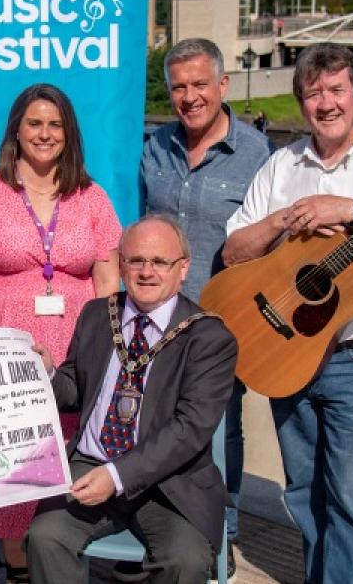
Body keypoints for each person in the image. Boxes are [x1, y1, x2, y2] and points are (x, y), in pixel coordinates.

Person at [222, 42, 353, 584]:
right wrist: (282, 223)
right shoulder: (282, 165)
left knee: (351, 502)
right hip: (288, 349)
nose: (327, 104)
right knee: (302, 494)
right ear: (301, 104)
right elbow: (235, 250)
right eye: (314, 94)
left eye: (337, 90)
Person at [0, 82, 122, 578]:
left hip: (75, 351)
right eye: (34, 123)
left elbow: (109, 281)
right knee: (13, 458)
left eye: (55, 124)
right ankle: (18, 567)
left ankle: (58, 556)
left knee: (65, 456)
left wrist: (107, 353)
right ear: (16, 131)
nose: (45, 133)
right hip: (2, 350)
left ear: (69, 133)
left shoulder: (92, 198)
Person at [25, 214, 237, 584]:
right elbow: (74, 390)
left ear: (183, 268)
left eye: (160, 262)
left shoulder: (209, 338)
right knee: (44, 538)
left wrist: (118, 474)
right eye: (136, 260)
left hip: (170, 483)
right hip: (89, 465)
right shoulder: (97, 314)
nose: (146, 271)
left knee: (184, 561)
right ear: (121, 265)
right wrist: (49, 373)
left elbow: (189, 431)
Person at [139, 37, 274, 579]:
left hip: (223, 317)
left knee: (224, 427)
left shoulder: (258, 153)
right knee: (154, 416)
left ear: (222, 85)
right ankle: (158, 520)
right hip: (157, 314)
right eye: (178, 87)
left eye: (200, 84)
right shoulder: (155, 146)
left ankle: (225, 529)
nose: (189, 97)